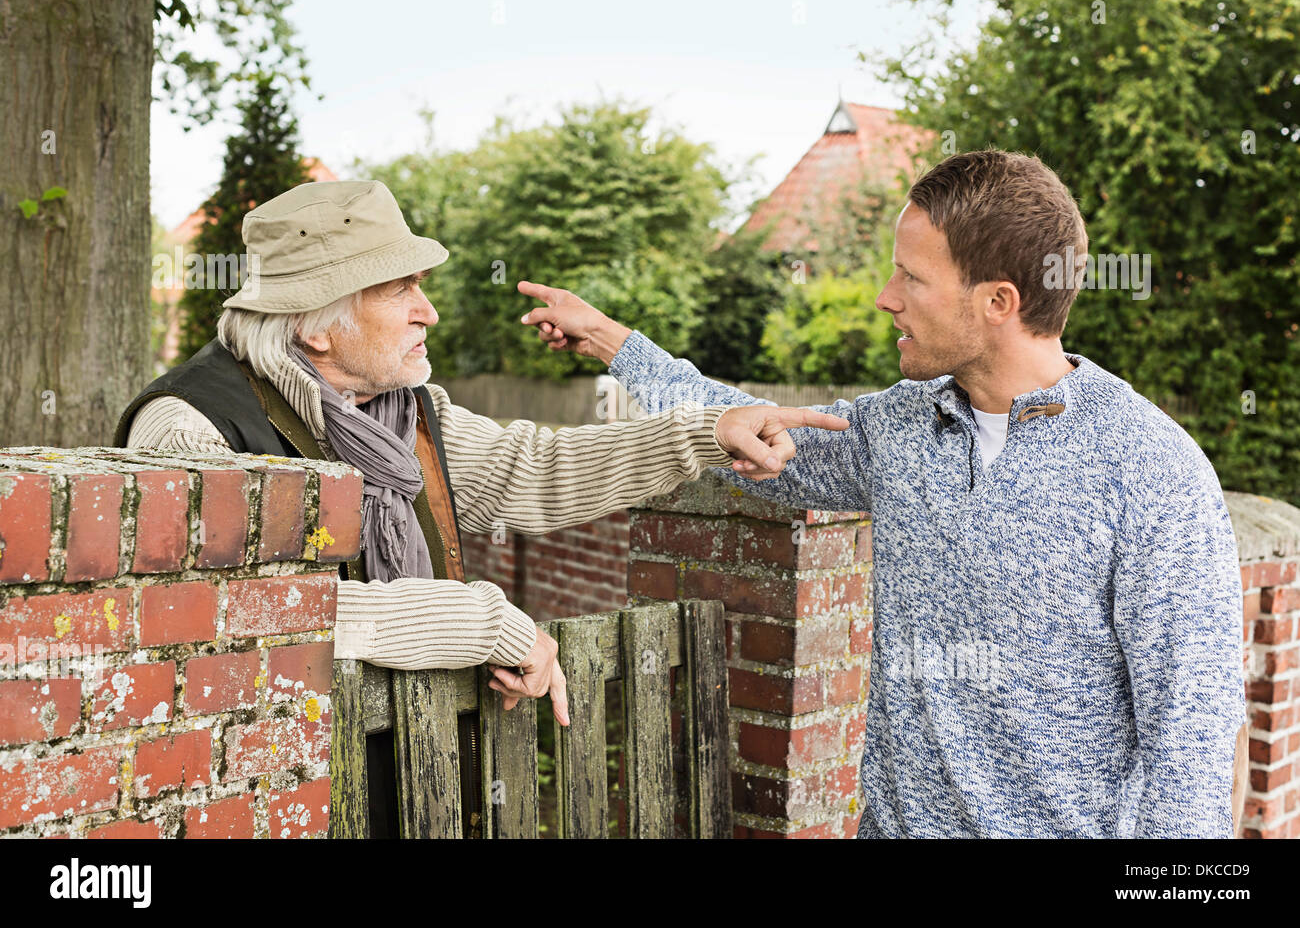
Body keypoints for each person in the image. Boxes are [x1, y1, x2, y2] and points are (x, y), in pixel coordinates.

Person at [517, 149, 1250, 837]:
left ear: (998, 300)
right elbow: (749, 427)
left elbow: (1190, 739)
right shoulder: (898, 425)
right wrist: (614, 342)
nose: (884, 298)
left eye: (911, 278)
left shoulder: (1152, 471)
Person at [115, 179, 848, 728]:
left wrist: (705, 432)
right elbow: (235, 609)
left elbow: (534, 470)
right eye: (400, 289)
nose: (428, 311)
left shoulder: (405, 412)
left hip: (407, 762)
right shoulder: (191, 426)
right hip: (269, 779)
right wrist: (480, 621)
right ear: (316, 328)